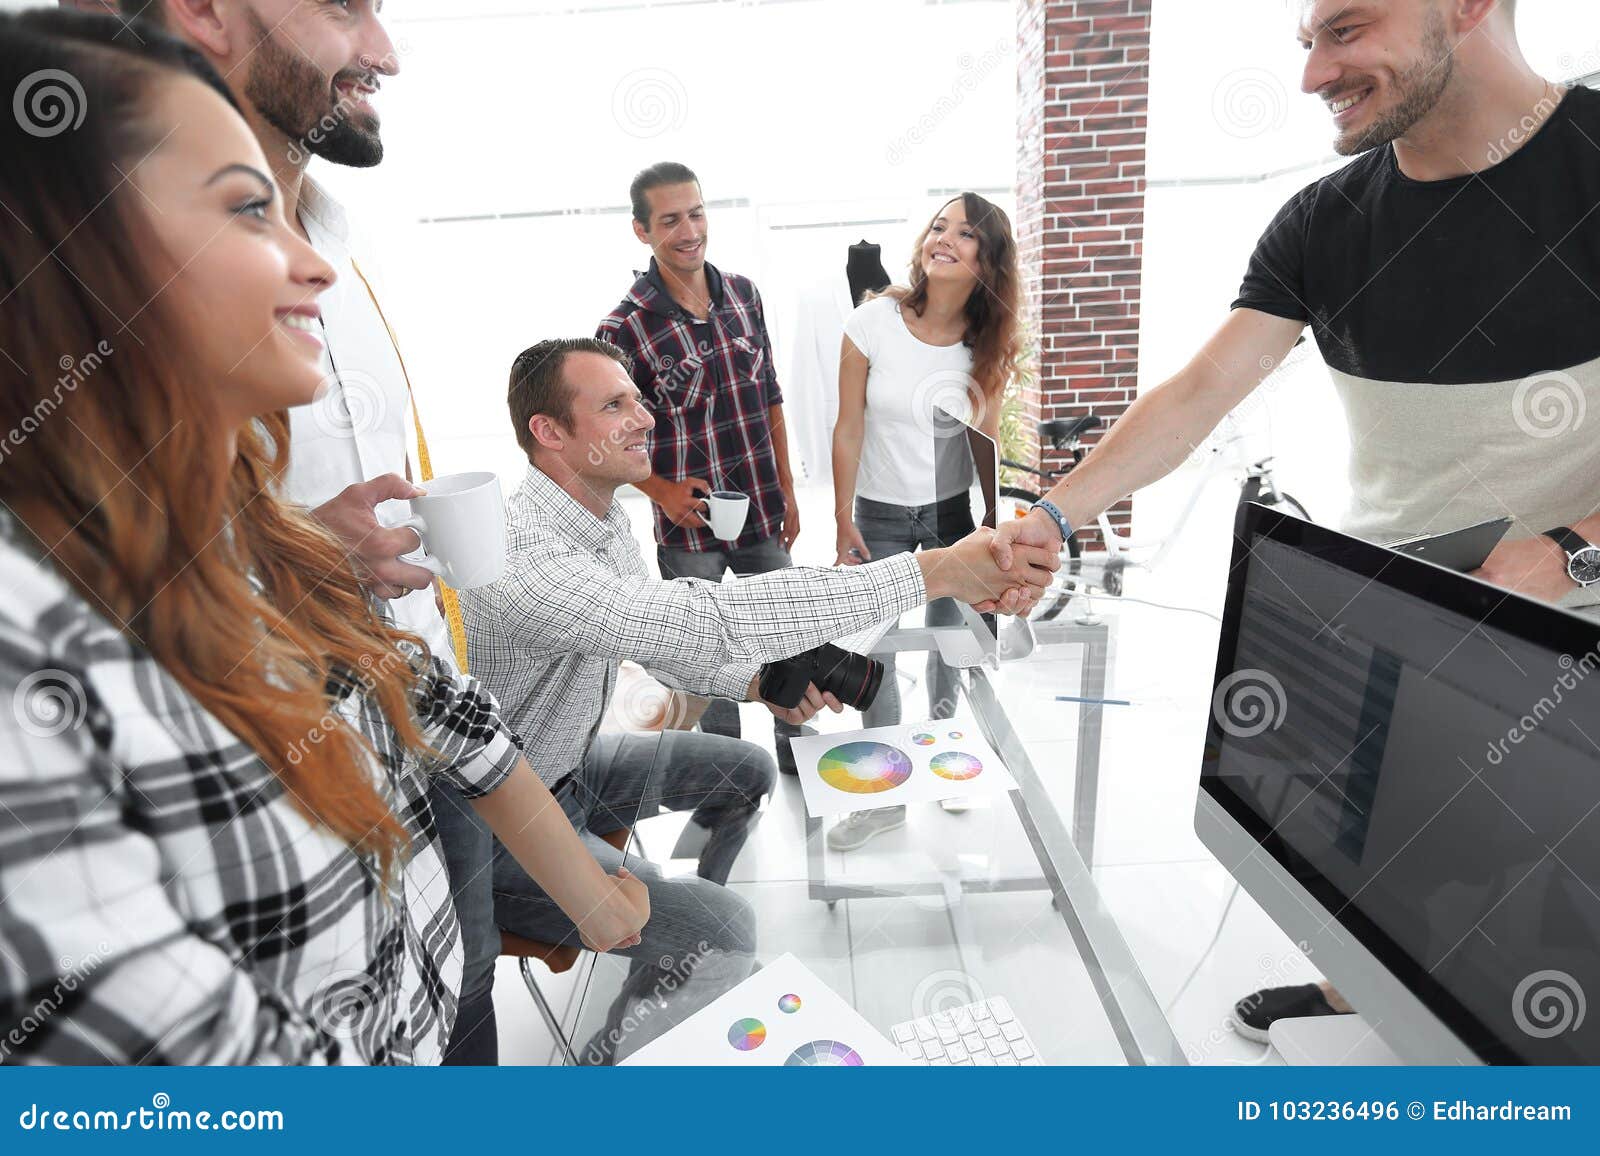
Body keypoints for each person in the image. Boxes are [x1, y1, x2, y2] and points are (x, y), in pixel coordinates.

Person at [0, 9, 646, 1063]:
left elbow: (423, 686)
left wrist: (586, 890)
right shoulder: (34, 650)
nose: (313, 266)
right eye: (249, 210)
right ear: (86, 253)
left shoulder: (243, 527)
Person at [987, 0, 1600, 1042]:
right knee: (1392, 875)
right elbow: (1196, 393)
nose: (1314, 73)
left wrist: (1569, 552)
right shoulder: (1323, 222)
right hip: (1405, 618)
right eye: (1308, 42)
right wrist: (1051, 513)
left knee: (1543, 964)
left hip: (1568, 634)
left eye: (1347, 30)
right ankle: (1359, 994)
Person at [459, 338, 1057, 1062]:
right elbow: (702, 620)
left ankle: (662, 939)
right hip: (506, 824)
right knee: (729, 932)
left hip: (572, 770)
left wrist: (756, 681)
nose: (644, 417)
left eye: (638, 399)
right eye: (614, 405)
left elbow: (660, 646)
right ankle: (619, 1057)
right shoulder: (523, 555)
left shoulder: (600, 520)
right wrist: (932, 571)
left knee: (748, 771)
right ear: (549, 433)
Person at [130, 0, 507, 1063]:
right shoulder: (100, 258)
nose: (384, 51)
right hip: (287, 789)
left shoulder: (340, 241)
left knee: (462, 1020)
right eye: (347, 8)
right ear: (203, 11)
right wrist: (288, 552)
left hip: (426, 725)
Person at [828, 192, 1024, 850]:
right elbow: (848, 426)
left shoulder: (985, 343)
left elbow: (987, 441)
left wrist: (997, 530)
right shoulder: (874, 321)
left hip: (951, 515)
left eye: (964, 234)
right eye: (939, 226)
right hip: (877, 514)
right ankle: (882, 793)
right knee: (874, 648)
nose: (943, 238)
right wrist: (840, 517)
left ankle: (943, 762)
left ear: (986, 260)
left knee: (949, 644)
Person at [597, 162, 806, 767]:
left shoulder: (744, 294)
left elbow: (769, 395)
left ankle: (796, 756)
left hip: (760, 506)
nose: (689, 230)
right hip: (688, 527)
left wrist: (788, 488)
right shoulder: (623, 328)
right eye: (670, 220)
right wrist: (661, 491)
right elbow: (612, 437)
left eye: (696, 213)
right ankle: (730, 771)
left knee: (784, 635)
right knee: (711, 654)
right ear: (642, 231)